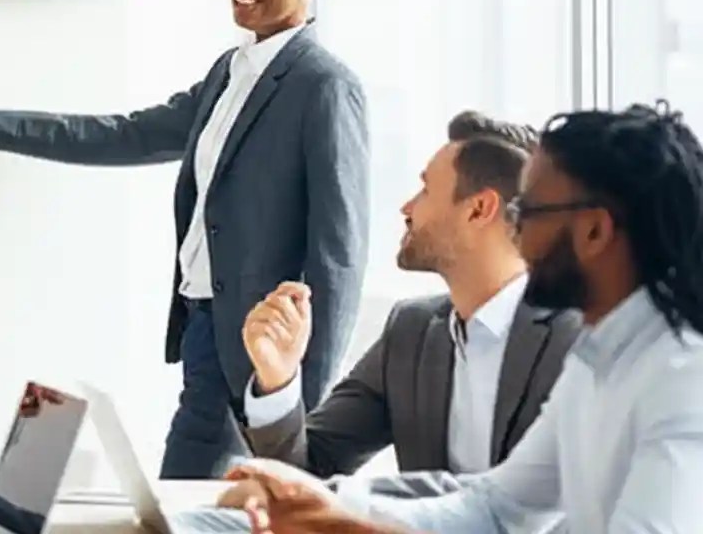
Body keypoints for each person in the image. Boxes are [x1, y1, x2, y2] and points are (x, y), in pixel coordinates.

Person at [0, 0, 369, 480]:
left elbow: (339, 257)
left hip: (264, 359)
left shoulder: (325, 86)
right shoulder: (230, 73)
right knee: (181, 501)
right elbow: (124, 135)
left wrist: (302, 406)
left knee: (228, 505)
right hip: (205, 335)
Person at [221, 101, 703, 533]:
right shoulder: (593, 363)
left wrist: (351, 526)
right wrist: (337, 513)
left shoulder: (682, 380)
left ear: (594, 232)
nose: (516, 229)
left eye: (530, 210)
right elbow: (496, 508)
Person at [241, 112, 580, 497]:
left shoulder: (578, 339)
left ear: (478, 209)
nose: (407, 208)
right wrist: (278, 379)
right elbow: (306, 473)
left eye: (425, 190)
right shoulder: (412, 331)